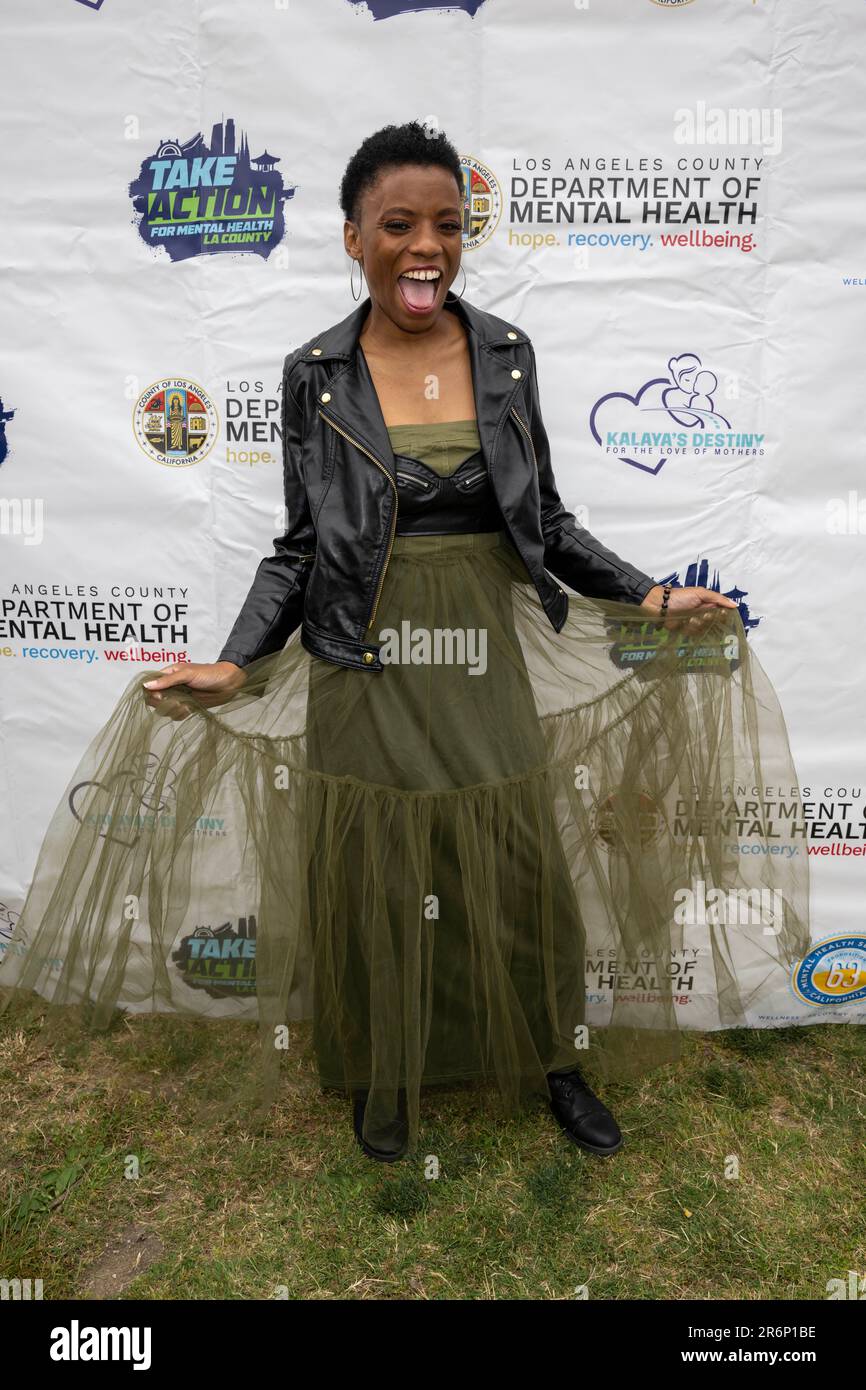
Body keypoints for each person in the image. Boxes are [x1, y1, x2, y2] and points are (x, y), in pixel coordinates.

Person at [0, 122, 810, 1164]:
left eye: (446, 224)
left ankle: (550, 1059)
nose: (425, 245)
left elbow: (547, 523)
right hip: (363, 655)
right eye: (398, 225)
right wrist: (236, 660)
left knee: (518, 864)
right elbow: (298, 547)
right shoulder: (316, 374)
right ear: (352, 238)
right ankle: (383, 1066)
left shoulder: (506, 353)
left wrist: (644, 593)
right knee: (375, 871)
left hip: (481, 645)